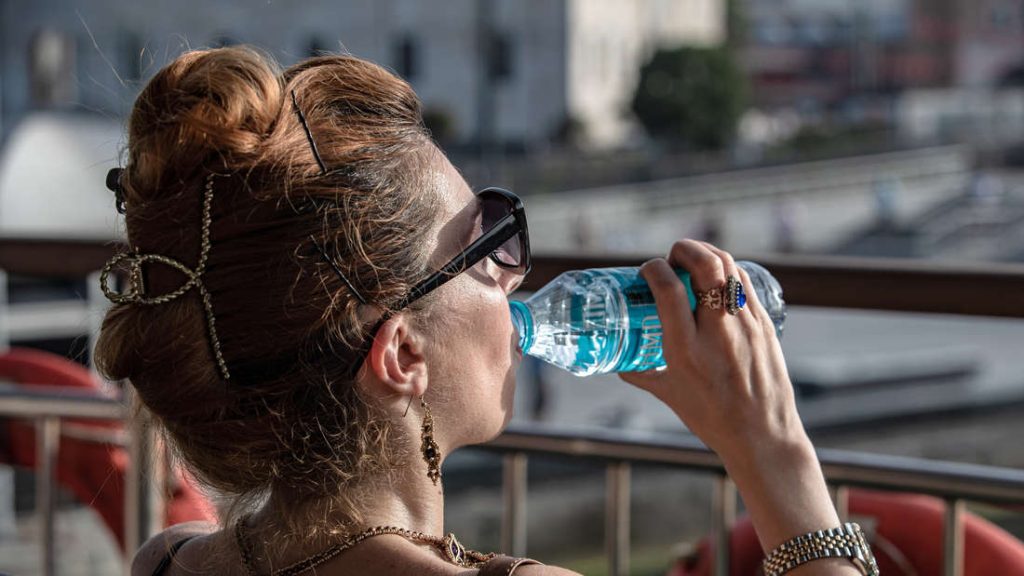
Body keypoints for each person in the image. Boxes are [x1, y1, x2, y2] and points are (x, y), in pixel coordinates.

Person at [96, 46, 874, 576]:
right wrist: (775, 457)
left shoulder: (169, 561)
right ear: (400, 356)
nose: (515, 275)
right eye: (488, 244)